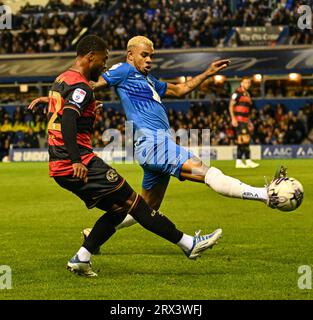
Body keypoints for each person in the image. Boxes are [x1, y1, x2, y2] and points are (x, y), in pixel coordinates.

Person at [28, 35, 223, 277]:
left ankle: (82, 257)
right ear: (91, 57)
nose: (105, 66)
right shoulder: (81, 85)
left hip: (59, 165)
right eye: (103, 60)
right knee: (136, 203)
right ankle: (187, 243)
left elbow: (69, 105)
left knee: (119, 209)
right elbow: (68, 117)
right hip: (79, 162)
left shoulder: (62, 80)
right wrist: (77, 159)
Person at [229, 77, 260, 169]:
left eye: (249, 82)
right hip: (239, 119)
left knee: (242, 140)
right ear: (241, 83)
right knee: (244, 139)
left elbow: (247, 110)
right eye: (246, 82)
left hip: (245, 120)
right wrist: (233, 118)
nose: (248, 84)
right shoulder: (237, 93)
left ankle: (240, 161)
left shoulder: (247, 94)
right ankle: (247, 160)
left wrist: (249, 121)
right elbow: (231, 106)